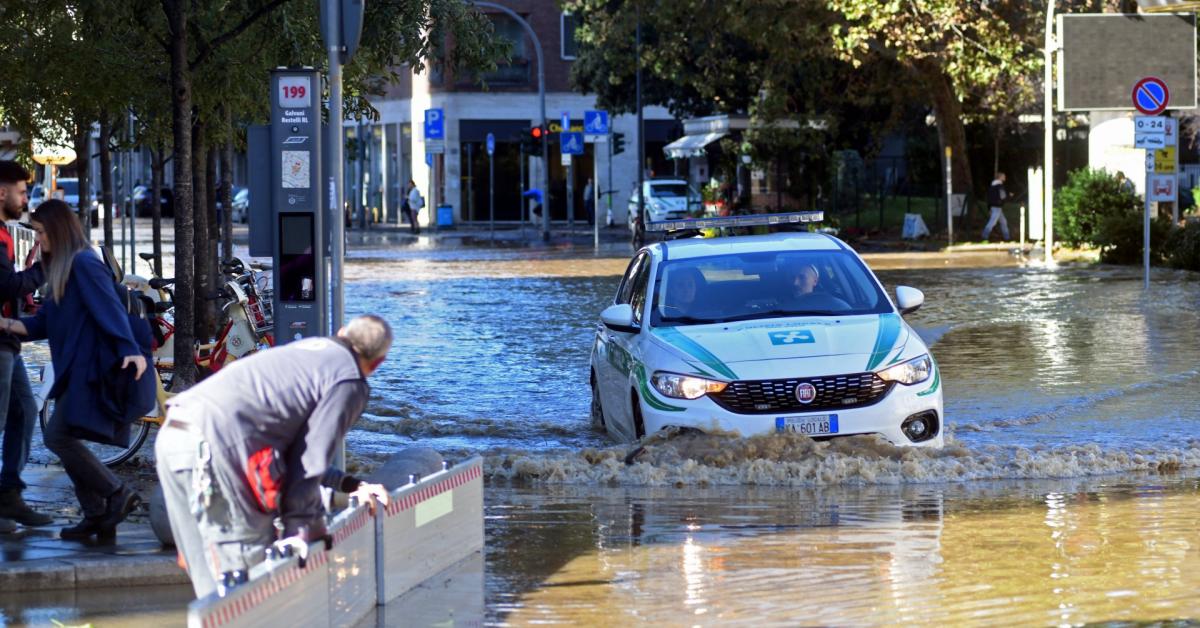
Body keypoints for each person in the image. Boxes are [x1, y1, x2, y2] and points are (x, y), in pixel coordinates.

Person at [154, 315, 394, 599]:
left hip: (174, 432)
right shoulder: (349, 381)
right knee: (246, 585)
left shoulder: (307, 352)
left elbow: (295, 454)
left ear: (341, 333)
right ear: (377, 363)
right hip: (216, 451)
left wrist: (350, 485)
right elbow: (308, 464)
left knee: (208, 584)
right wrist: (301, 532)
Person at [1, 200, 146, 541]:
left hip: (90, 368)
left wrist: (129, 349)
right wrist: (5, 323)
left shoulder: (83, 263)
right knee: (63, 435)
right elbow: (42, 324)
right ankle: (97, 517)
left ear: (58, 229)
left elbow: (110, 307)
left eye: (40, 232)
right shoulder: (63, 268)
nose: (38, 241)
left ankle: (115, 493)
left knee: (57, 436)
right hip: (73, 369)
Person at [0, 162, 52, 531]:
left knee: (23, 412)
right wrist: (44, 268)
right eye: (21, 191)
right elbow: (6, 287)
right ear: (2, 193)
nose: (25, 199)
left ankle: (9, 493)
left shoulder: (4, 231)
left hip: (7, 339)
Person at [982, 172, 1010, 241]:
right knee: (992, 222)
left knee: (1003, 222)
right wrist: (1009, 196)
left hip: (993, 207)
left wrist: (989, 208)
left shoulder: (992, 186)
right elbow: (1003, 196)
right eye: (1003, 176)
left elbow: (989, 198)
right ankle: (984, 236)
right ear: (1000, 177)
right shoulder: (1000, 186)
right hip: (997, 207)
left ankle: (1007, 237)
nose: (1005, 177)